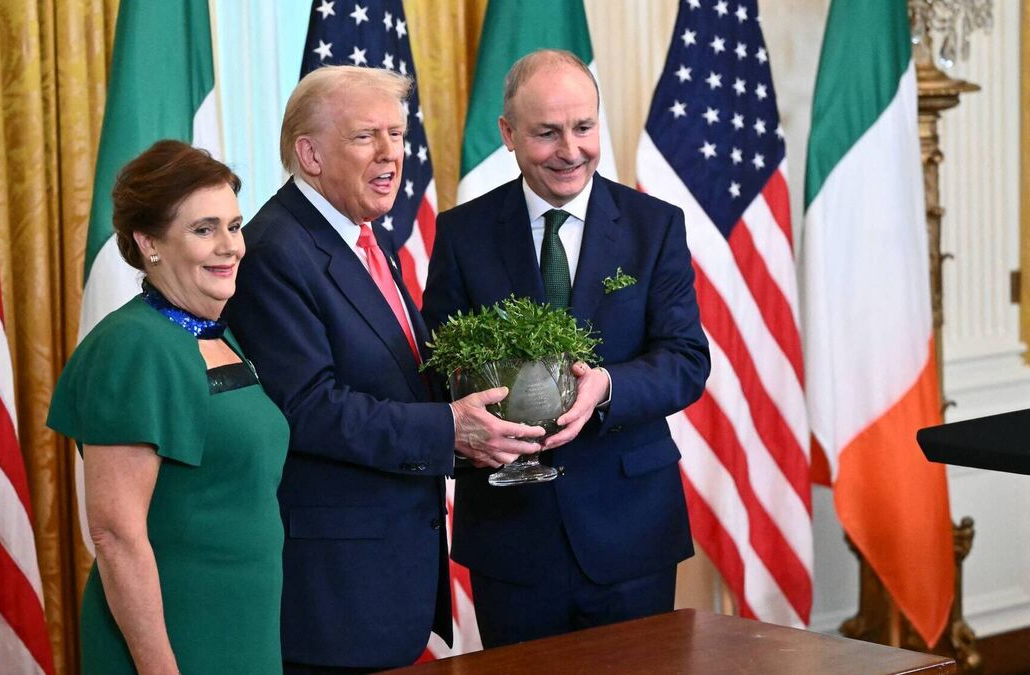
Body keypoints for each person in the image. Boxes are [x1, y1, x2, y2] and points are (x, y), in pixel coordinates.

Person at [223, 65, 543, 673]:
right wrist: (450, 429)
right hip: (336, 588)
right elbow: (309, 408)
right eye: (366, 136)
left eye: (397, 135)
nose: (391, 154)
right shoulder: (277, 250)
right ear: (309, 154)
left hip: (385, 572)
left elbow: (396, 376)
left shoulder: (362, 238)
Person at [422, 49, 712, 647]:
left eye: (583, 128)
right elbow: (438, 367)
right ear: (507, 134)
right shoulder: (462, 234)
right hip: (512, 535)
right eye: (546, 133)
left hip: (631, 526)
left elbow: (686, 359)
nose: (570, 150)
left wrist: (608, 387)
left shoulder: (653, 226)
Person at [47, 140, 289, 674]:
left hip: (243, 629)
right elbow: (115, 535)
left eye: (234, 225)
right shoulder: (133, 346)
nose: (231, 246)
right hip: (170, 644)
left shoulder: (217, 337)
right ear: (149, 243)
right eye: (204, 229)